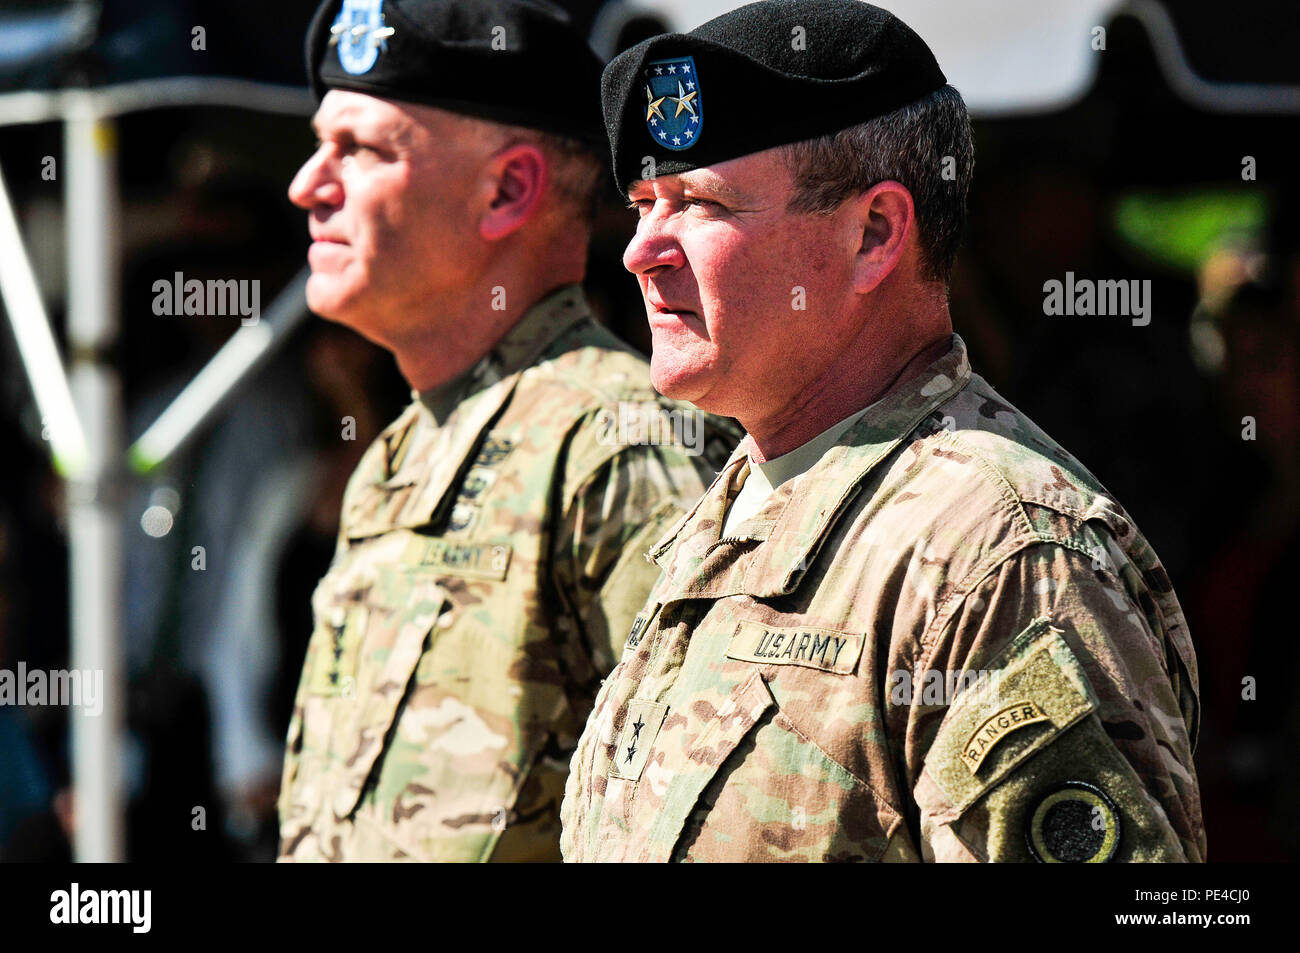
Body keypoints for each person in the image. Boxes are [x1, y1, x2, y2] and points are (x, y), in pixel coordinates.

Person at [560, 0, 1204, 862]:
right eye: (643, 202)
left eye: (698, 203)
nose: (642, 249)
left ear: (874, 234)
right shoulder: (735, 505)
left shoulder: (1002, 560)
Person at [277, 0, 736, 862]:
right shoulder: (398, 452)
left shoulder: (618, 442)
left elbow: (703, 819)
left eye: (362, 149)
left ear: (509, 189)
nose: (308, 184)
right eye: (318, 143)